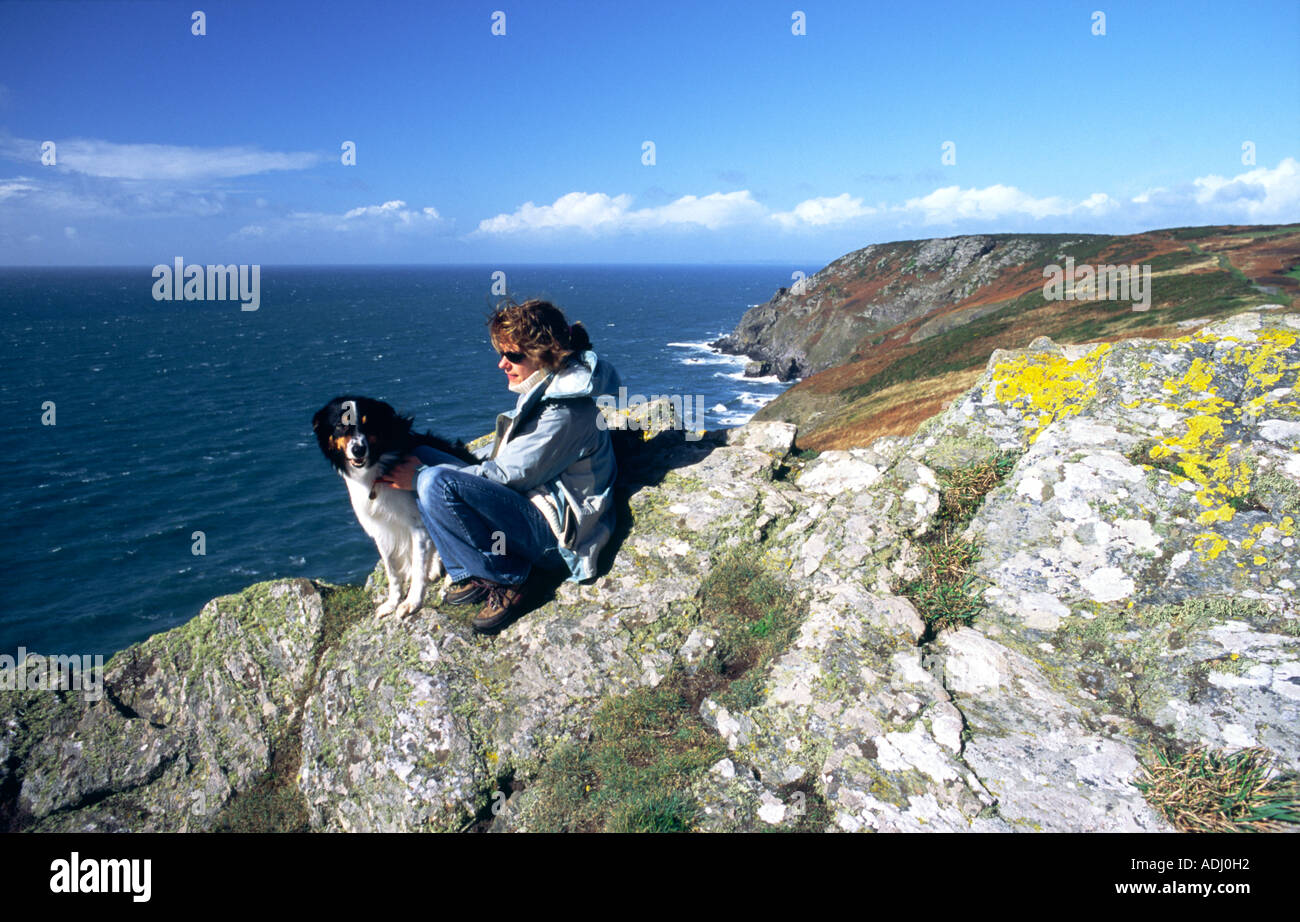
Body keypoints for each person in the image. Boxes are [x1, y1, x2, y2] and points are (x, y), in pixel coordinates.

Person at [379, 299, 621, 633]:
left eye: (514, 356)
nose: (502, 364)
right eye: (502, 354)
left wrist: (419, 477)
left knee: (432, 480)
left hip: (558, 543)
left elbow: (507, 477)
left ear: (547, 353)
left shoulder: (566, 413)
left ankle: (509, 578)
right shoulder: (549, 387)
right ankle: (469, 572)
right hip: (540, 506)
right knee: (422, 454)